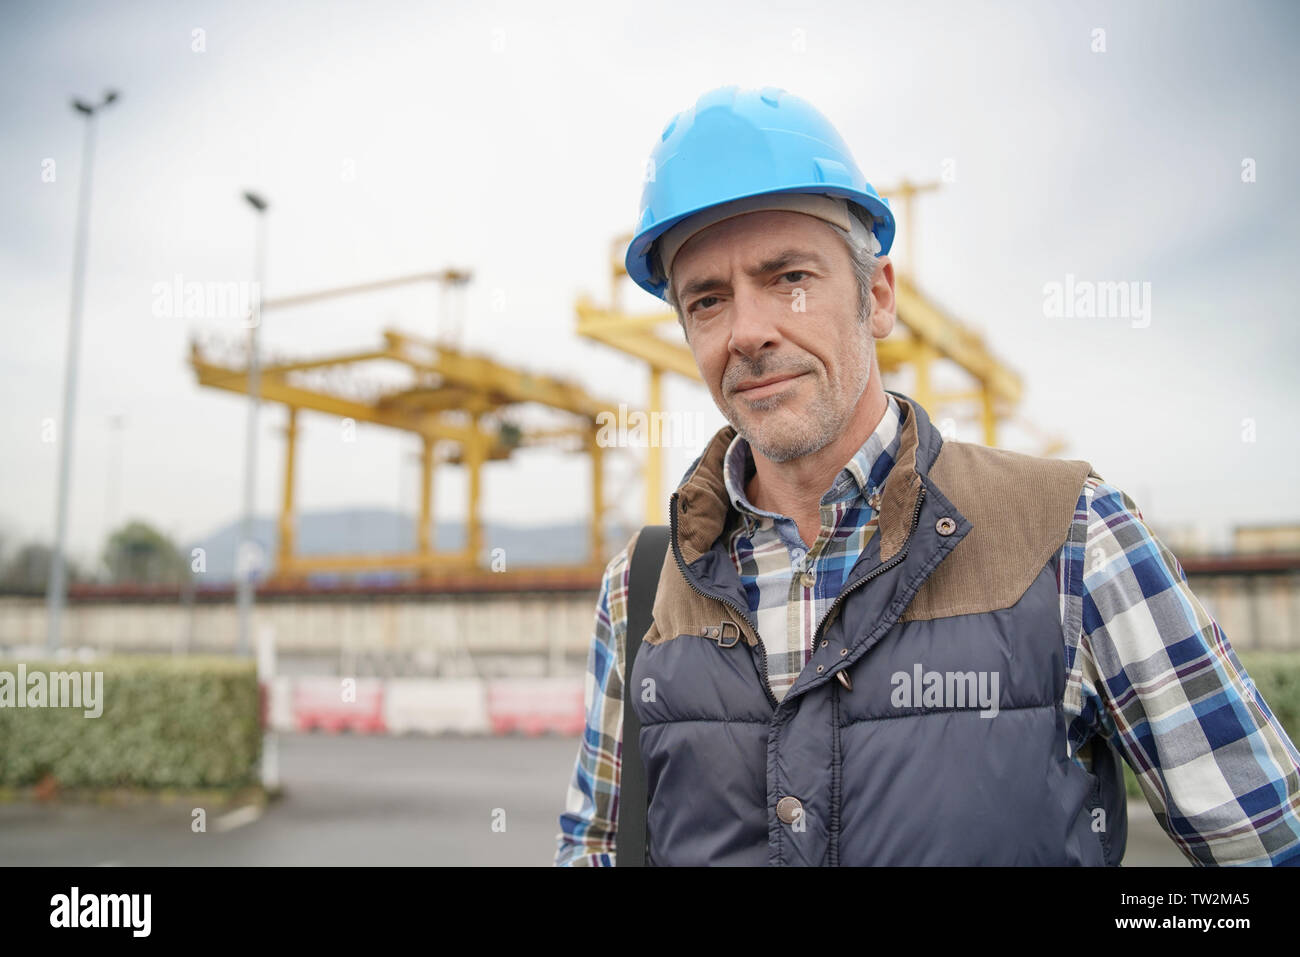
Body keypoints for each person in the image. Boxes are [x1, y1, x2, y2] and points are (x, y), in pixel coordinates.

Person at [554, 85, 1300, 866]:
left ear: (877, 297)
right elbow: (594, 849)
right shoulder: (640, 591)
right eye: (707, 300)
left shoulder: (1073, 536)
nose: (748, 332)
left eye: (789, 279)